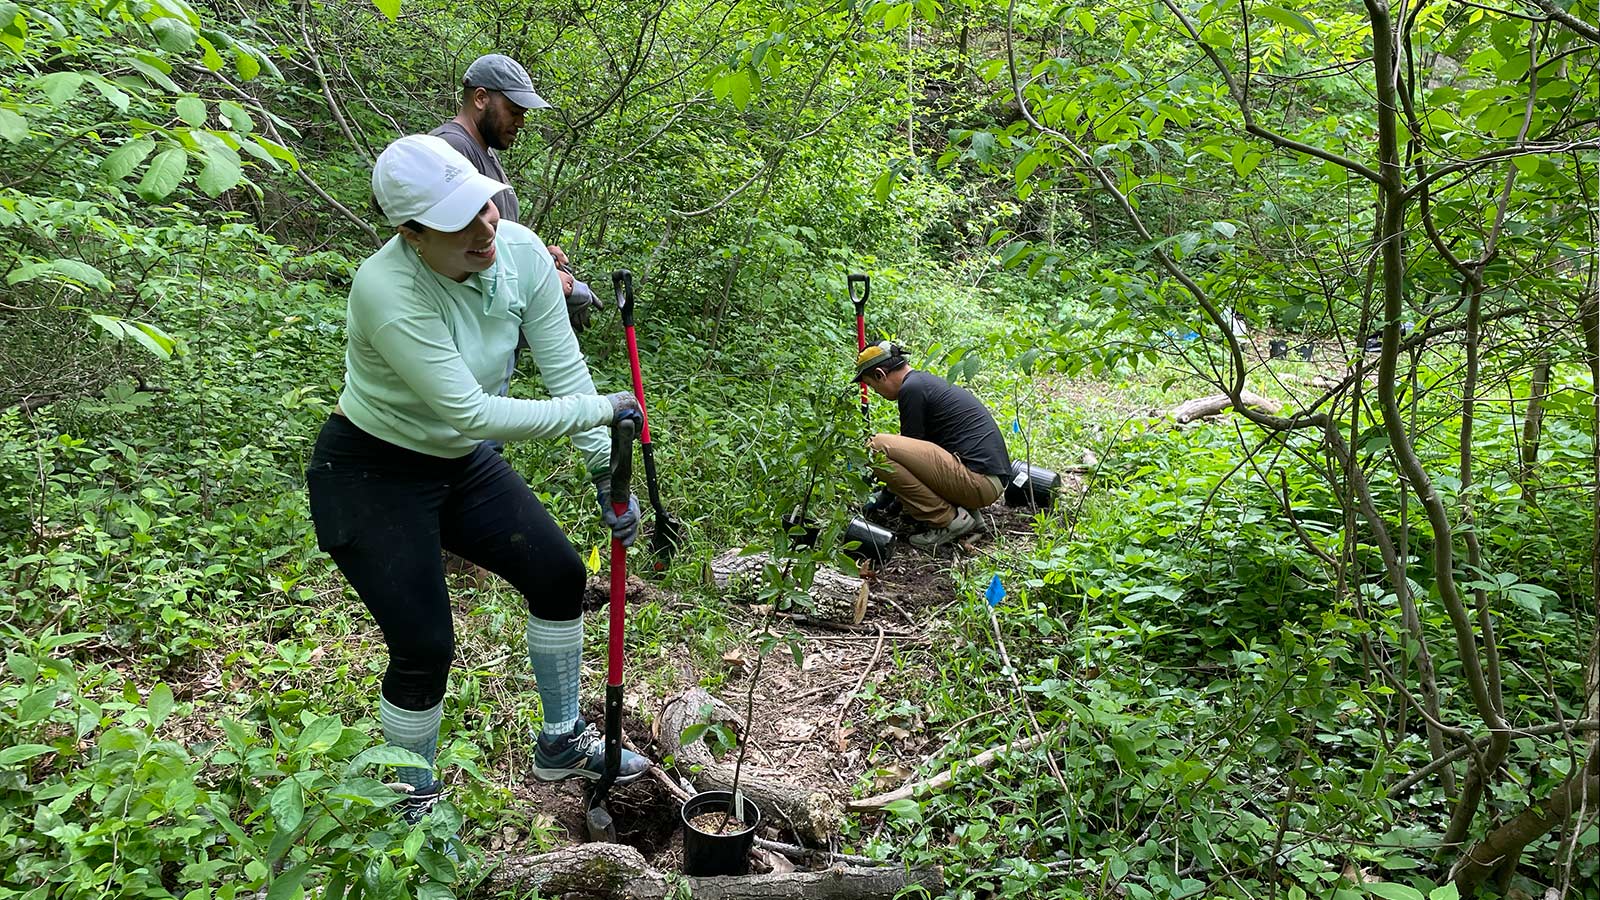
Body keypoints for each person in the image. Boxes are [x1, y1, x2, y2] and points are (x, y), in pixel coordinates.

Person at [305, 134, 648, 825]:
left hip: (460, 460)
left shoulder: (519, 251)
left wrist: (603, 472)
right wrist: (602, 410)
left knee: (556, 574)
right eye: (459, 219)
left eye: (484, 205)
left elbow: (565, 371)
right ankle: (411, 799)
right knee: (425, 643)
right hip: (372, 468)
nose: (485, 224)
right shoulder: (386, 288)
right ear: (411, 232)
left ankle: (559, 741)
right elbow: (470, 406)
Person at [430, 53, 602, 336]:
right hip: (462, 334)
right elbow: (453, 251)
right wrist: (540, 279)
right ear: (481, 98)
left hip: (488, 334)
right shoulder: (451, 150)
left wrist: (535, 256)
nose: (521, 122)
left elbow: (494, 237)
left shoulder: (485, 153)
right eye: (514, 110)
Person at [854, 341, 1011, 549]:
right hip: (989, 481)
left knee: (875, 446)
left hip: (978, 483)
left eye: (873, 387)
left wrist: (887, 498)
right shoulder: (923, 382)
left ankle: (949, 521)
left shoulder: (912, 389)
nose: (877, 393)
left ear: (881, 375)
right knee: (891, 450)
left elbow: (911, 451)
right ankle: (966, 511)